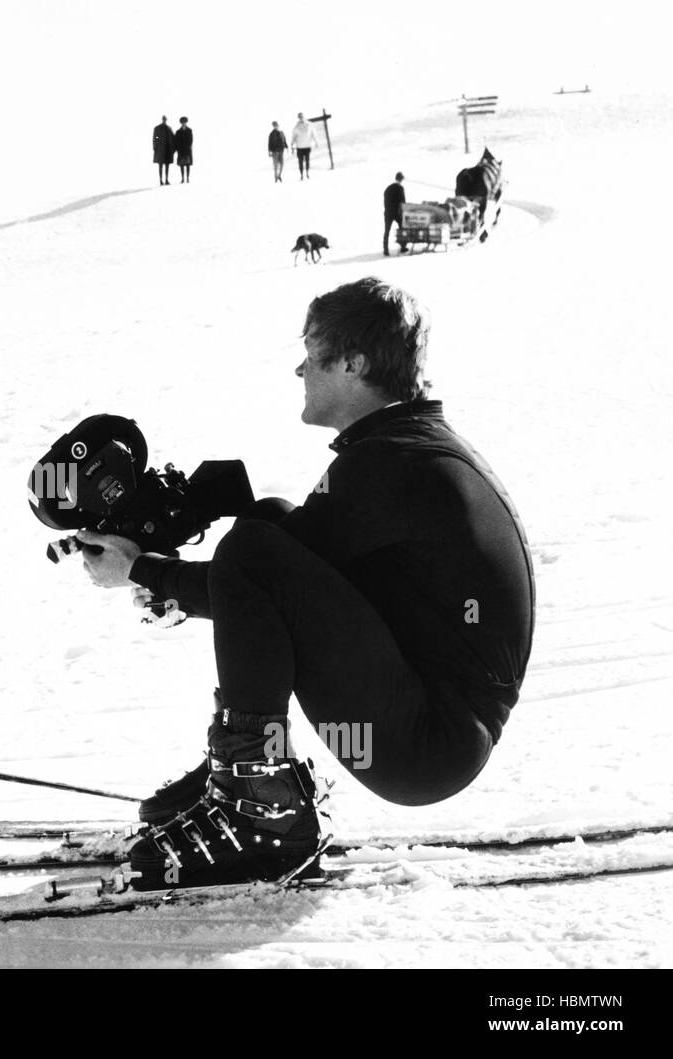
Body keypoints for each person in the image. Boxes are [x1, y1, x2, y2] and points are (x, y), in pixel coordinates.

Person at [76, 278, 535, 890]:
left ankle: (262, 804)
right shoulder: (405, 448)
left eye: (311, 353)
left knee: (257, 542)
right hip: (428, 729)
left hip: (424, 748)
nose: (298, 369)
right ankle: (247, 773)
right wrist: (161, 574)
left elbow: (253, 575)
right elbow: (269, 584)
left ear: (353, 363)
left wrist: (137, 569)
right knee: (269, 521)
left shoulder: (396, 463)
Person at [384, 171, 407, 256]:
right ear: (401, 179)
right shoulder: (400, 188)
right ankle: (403, 246)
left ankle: (385, 250)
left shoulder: (388, 188)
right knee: (402, 228)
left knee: (387, 231)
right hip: (397, 213)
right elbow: (403, 202)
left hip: (388, 212)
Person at [290, 112, 317, 179]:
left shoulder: (309, 124)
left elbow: (313, 134)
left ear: (304, 116)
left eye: (302, 116)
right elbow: (294, 136)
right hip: (299, 147)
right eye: (300, 117)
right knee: (300, 161)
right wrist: (292, 143)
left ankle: (307, 173)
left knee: (307, 161)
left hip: (307, 146)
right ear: (298, 118)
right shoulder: (296, 126)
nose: (301, 118)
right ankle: (301, 174)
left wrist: (316, 142)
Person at [153, 116, 175, 185]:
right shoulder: (157, 128)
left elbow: (173, 138)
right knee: (160, 166)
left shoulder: (169, 128)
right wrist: (155, 147)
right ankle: (161, 180)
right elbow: (155, 138)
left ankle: (166, 180)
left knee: (167, 165)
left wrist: (173, 149)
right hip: (160, 150)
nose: (164, 120)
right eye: (163, 119)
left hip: (168, 150)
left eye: (165, 120)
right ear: (162, 120)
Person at [175, 117, 194, 184]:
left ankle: (188, 178)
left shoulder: (189, 130)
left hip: (187, 150)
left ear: (186, 122)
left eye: (184, 122)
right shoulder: (178, 131)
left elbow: (191, 140)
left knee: (188, 165)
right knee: (182, 165)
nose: (183, 123)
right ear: (181, 123)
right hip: (181, 150)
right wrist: (179, 149)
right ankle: (182, 178)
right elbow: (176, 141)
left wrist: (187, 147)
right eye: (182, 122)